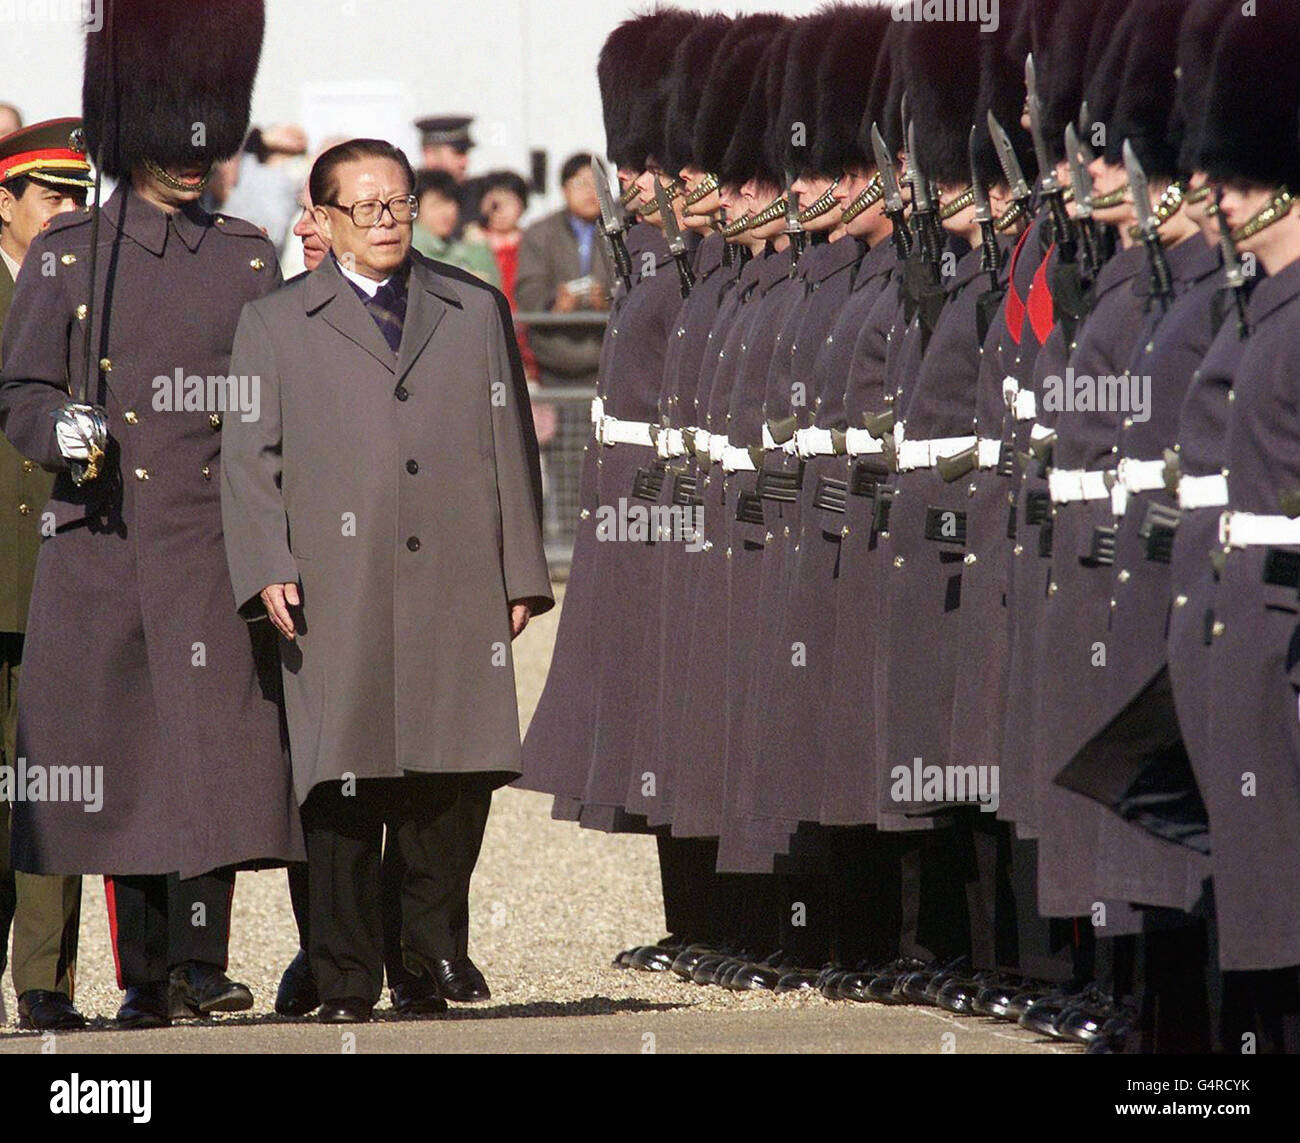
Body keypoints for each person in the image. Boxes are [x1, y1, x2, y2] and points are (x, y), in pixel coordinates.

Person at [0, 0, 303, 1031]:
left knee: (205, 764)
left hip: (210, 542)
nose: (192, 163)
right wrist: (65, 431)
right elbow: (22, 390)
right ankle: (84, 981)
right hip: (105, 538)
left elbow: (271, 405)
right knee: (112, 764)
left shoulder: (247, 254)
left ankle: (176, 971)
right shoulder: (71, 250)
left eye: (205, 143)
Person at [220, 137, 553, 1024]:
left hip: (454, 580)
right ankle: (342, 975)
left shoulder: (474, 307)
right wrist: (265, 568)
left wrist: (522, 567)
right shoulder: (276, 321)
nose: (386, 220)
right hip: (334, 586)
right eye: (364, 206)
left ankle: (429, 954)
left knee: (453, 776)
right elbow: (248, 461)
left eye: (397, 202)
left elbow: (512, 450)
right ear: (323, 218)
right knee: (338, 786)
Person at [0, 118, 93, 1033]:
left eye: (80, 197)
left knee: (53, 794)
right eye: (52, 197)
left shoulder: (93, 296)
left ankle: (45, 981)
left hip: (66, 583)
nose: (69, 212)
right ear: (7, 201)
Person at [515, 153, 612, 386]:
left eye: (596, 184)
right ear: (564, 189)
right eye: (580, 183)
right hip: (554, 362)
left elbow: (636, 282)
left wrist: (609, 299)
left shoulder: (622, 232)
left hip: (607, 356)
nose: (590, 191)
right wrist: (554, 304)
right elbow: (528, 289)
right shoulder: (539, 233)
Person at [411, 169, 499, 286]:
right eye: (436, 204)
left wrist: (479, 249)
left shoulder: (459, 245)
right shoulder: (411, 247)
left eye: (450, 203)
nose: (446, 212)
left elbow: (493, 290)